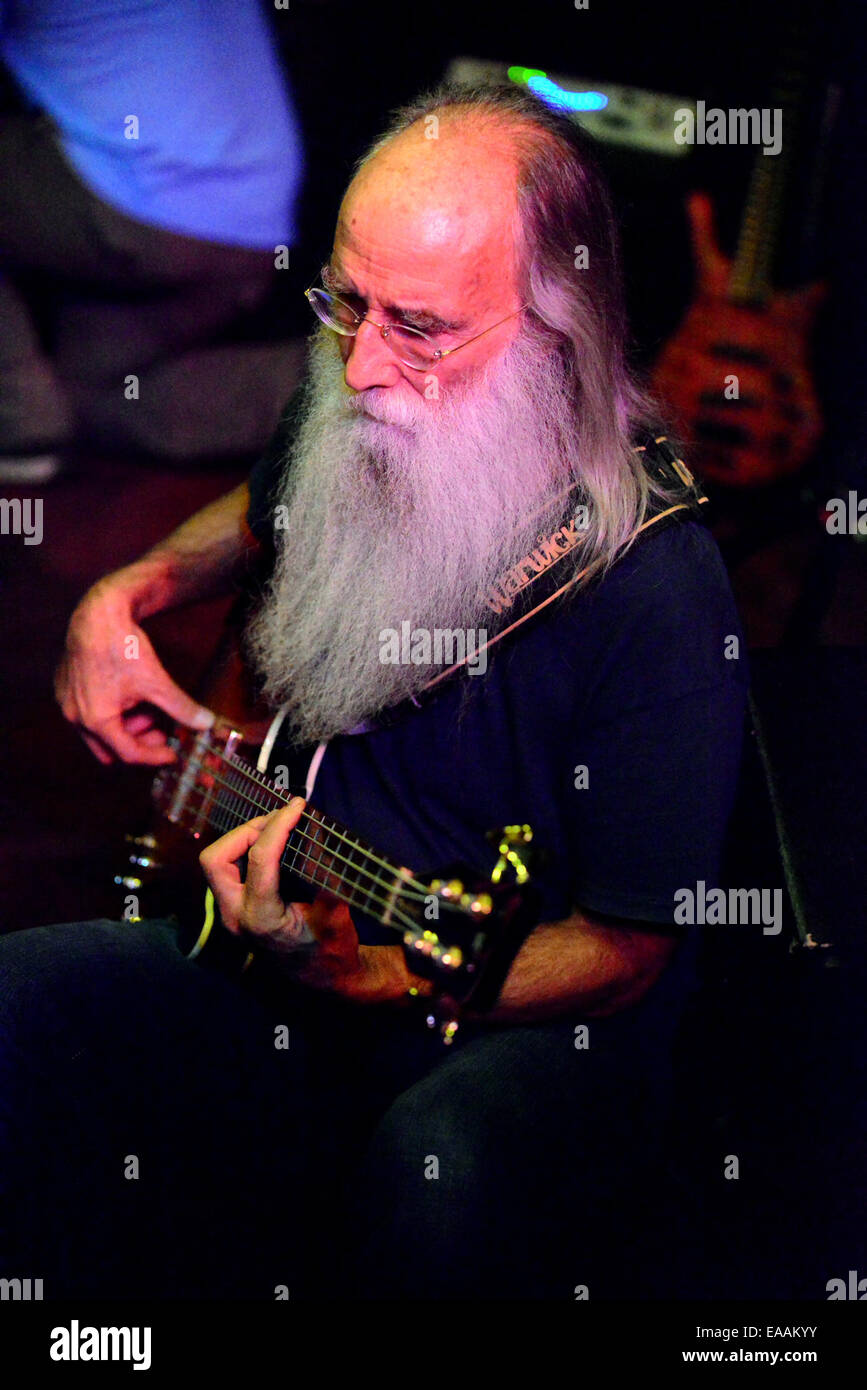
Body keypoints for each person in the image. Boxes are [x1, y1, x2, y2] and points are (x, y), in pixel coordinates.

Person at [0, 83, 749, 1300]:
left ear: (559, 330)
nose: (361, 365)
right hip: (288, 930)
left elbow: (626, 950)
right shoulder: (357, 380)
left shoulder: (661, 584)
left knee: (436, 1170)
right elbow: (264, 516)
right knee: (18, 1007)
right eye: (345, 302)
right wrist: (128, 591)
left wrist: (369, 974)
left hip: (508, 1009)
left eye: (422, 326)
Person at [0, 0, 304, 479]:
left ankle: (17, 416)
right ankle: (347, 398)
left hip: (143, 209)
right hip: (259, 221)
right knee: (101, 397)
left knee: (49, 412)